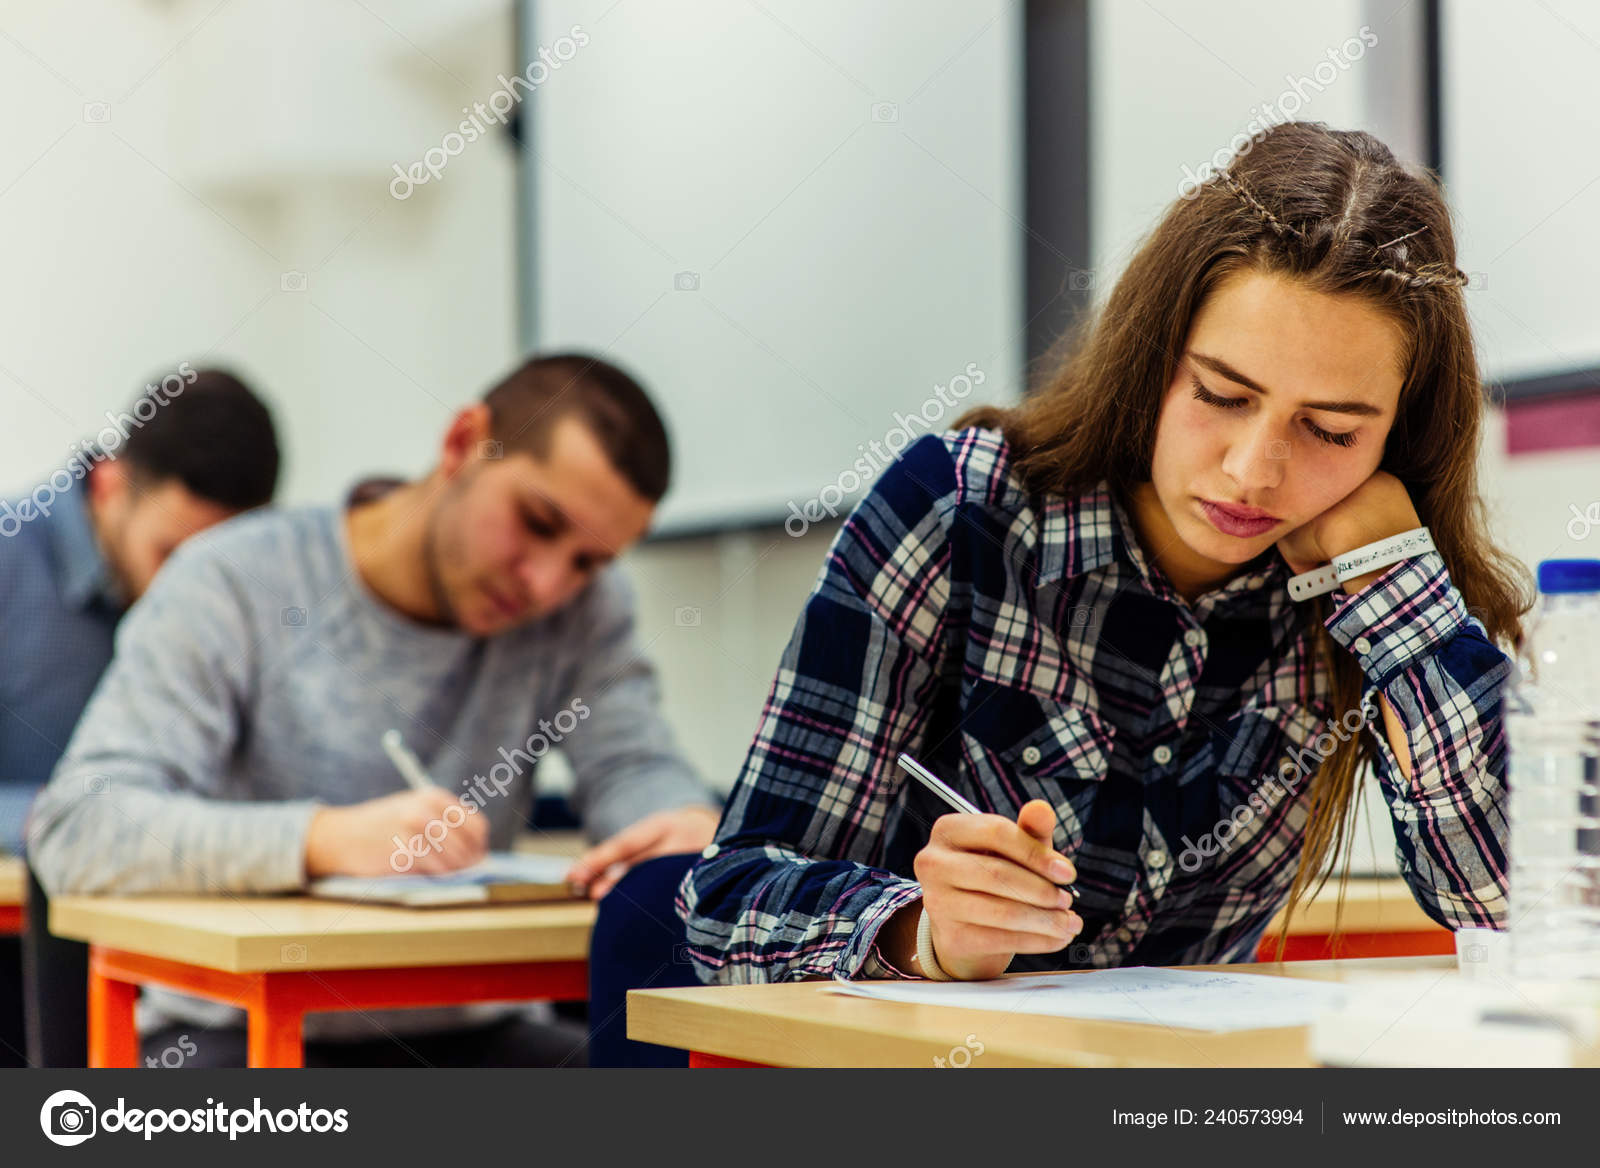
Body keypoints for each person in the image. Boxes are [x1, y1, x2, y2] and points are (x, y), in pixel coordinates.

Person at [680, 122, 1530, 985]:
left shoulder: (1375, 581)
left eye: (1331, 430)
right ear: (1150, 356)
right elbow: (724, 907)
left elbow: (1508, 902)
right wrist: (923, 933)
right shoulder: (958, 512)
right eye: (1221, 394)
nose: (1254, 472)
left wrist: (1394, 585)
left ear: (1397, 437)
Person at [28, 353, 719, 1064]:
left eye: (589, 562)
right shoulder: (231, 578)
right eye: (537, 523)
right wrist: (321, 840)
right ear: (463, 443)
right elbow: (79, 824)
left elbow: (634, 764)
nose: (546, 584)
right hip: (234, 1031)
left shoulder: (584, 614)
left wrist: (685, 827)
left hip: (473, 1031)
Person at [0, 366, 280, 1065]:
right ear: (110, 485)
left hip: (183, 953)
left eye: (218, 565)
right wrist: (72, 815)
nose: (194, 592)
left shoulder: (247, 598)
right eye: (173, 556)